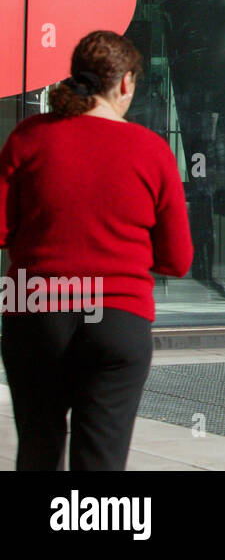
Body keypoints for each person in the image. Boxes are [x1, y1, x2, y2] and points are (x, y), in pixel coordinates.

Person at [0, 31, 193, 470]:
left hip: (35, 311)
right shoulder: (152, 151)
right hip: (117, 319)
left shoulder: (29, 137)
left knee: (38, 447)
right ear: (125, 83)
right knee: (101, 458)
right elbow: (178, 260)